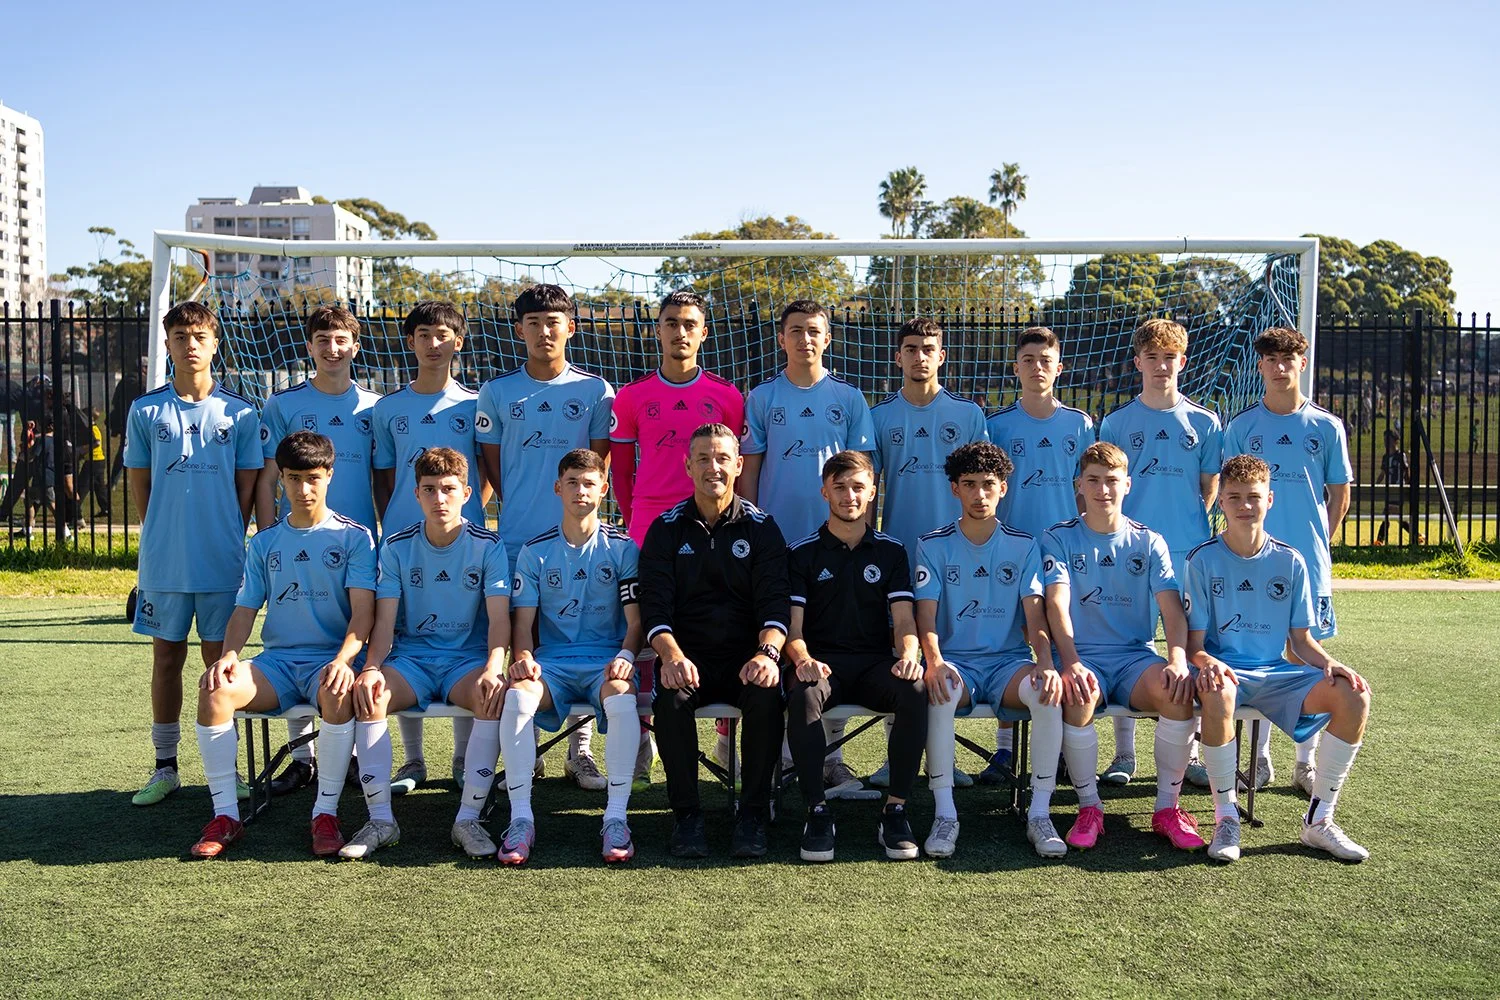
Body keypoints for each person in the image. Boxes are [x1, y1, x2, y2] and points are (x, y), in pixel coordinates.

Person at [187, 431, 377, 858]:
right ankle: (226, 816)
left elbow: (364, 614)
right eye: (293, 478)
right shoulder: (266, 541)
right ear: (282, 480)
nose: (303, 489)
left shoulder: (355, 538)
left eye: (312, 477)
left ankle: (324, 814)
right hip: (277, 665)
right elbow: (245, 609)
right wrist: (229, 657)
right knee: (214, 688)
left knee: (337, 688)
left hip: (329, 663)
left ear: (329, 475)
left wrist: (345, 659)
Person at [1185, 454, 1373, 862]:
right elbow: (1192, 646)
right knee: (1218, 691)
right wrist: (1208, 663)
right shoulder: (1202, 560)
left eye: (1253, 497)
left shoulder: (1290, 561)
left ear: (1270, 499)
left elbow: (1300, 643)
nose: (1244, 505)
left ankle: (1319, 821)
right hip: (1225, 674)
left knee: (1354, 695)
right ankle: (1226, 818)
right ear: (1222, 503)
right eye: (1233, 497)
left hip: (1275, 673)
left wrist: (1328, 663)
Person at [476, 284, 616, 791]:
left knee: (579, 636)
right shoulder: (496, 391)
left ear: (570, 327)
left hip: (576, 537)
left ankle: (580, 751)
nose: (543, 331)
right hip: (516, 539)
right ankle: (527, 747)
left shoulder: (596, 392)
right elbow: (492, 464)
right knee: (527, 643)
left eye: (553, 321)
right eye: (533, 322)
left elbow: (598, 464)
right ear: (520, 330)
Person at [344, 447, 511, 861]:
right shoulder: (397, 547)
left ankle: (468, 819)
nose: (440, 498)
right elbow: (383, 624)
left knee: (493, 694)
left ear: (467, 493)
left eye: (449, 489)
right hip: (412, 661)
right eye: (430, 490)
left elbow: (498, 621)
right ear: (416, 495)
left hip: (464, 662)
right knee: (371, 695)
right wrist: (370, 669)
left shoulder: (489, 546)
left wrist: (494, 667)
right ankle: (381, 820)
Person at [1040, 442, 1208, 853]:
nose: (1103, 490)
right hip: (1083, 658)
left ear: (1127, 485)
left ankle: (1167, 809)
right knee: (1078, 695)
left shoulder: (1149, 542)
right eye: (1093, 480)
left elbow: (1171, 609)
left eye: (1112, 480)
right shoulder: (1057, 538)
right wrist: (1072, 661)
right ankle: (1089, 807)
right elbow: (1056, 605)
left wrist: (1177, 659)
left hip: (1135, 656)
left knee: (1176, 690)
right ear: (1078, 484)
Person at [125, 302, 261, 806]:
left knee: (220, 663)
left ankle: (224, 773)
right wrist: (163, 529)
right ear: (168, 344)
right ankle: (165, 768)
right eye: (180, 336)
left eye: (200, 336)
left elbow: (246, 489)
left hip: (222, 560)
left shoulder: (241, 413)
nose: (190, 344)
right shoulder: (145, 410)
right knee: (165, 657)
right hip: (164, 561)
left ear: (215, 343)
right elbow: (141, 485)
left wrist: (225, 530)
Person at [610, 289, 745, 787]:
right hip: (651, 529)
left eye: (690, 323)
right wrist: (638, 522)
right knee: (649, 630)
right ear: (659, 330)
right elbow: (620, 473)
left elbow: (737, 470)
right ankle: (642, 737)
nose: (680, 332)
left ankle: (727, 736)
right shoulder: (633, 397)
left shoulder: (729, 397)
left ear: (703, 332)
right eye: (671, 323)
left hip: (714, 528)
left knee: (723, 619)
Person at [639, 423, 789, 859]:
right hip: (689, 659)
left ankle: (754, 814)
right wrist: (671, 657)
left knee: (765, 694)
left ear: (739, 465)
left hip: (746, 658)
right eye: (703, 458)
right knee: (670, 701)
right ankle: (687, 816)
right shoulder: (665, 530)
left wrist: (767, 653)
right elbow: (655, 608)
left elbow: (776, 605)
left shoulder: (763, 528)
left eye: (722, 458)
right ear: (687, 466)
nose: (713, 467)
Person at [740, 299, 874, 787]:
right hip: (778, 544)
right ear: (782, 339)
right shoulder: (762, 398)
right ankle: (780, 754)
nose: (804, 339)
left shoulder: (849, 398)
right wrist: (752, 528)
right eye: (795, 330)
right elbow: (749, 469)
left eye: (813, 331)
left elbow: (862, 475)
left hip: (835, 543)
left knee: (829, 642)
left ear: (828, 338)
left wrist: (863, 538)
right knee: (779, 642)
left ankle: (828, 754)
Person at [915, 442, 1070, 859]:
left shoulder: (1023, 546)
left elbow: (1035, 620)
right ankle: (945, 814)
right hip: (957, 664)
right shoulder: (932, 544)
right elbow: (925, 620)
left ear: (1004, 488)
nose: (979, 495)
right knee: (941, 690)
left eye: (988, 485)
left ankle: (1039, 813)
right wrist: (934, 662)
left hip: (1007, 665)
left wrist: (1045, 664)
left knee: (1046, 693)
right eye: (970, 485)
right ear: (955, 490)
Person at [255, 305, 382, 795]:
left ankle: (346, 756)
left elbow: (385, 478)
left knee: (350, 643)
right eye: (322, 340)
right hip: (294, 542)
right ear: (309, 347)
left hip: (354, 544)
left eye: (341, 340)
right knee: (296, 637)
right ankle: (303, 758)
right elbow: (269, 478)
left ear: (355, 346)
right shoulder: (282, 405)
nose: (332, 349)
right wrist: (272, 537)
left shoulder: (375, 408)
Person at [1223, 326, 1352, 794]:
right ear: (1260, 366)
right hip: (1251, 562)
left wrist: (1317, 542)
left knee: (1307, 657)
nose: (1280, 368)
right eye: (1271, 360)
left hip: (1308, 566)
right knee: (1259, 655)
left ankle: (1306, 760)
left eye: (1288, 359)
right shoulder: (1241, 428)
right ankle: (1258, 760)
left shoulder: (1325, 425)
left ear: (1302, 362)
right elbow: (1229, 491)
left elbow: (1340, 494)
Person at [499, 449, 644, 863]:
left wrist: (626, 657)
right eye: (573, 482)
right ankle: (522, 818)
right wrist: (523, 656)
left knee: (619, 692)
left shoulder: (622, 547)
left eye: (589, 482)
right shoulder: (535, 551)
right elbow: (522, 626)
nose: (581, 490)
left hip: (604, 661)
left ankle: (616, 818)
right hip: (554, 664)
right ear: (557, 488)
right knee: (518, 695)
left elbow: (635, 624)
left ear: (604, 489)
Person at [1098, 318, 1223, 787]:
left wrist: (1184, 528)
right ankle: (1124, 755)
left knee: (1189, 649)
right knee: (1130, 645)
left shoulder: (1205, 422)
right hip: (1131, 553)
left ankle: (1186, 753)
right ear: (1138, 363)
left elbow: (1208, 487)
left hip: (1187, 554)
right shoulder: (1116, 422)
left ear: (1182, 362)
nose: (1160, 365)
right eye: (1151, 357)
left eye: (1169, 357)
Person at [784, 450, 926, 862]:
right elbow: (793, 629)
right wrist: (803, 659)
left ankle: (895, 809)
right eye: (840, 487)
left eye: (858, 487)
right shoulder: (802, 553)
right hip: (822, 662)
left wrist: (910, 654)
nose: (849, 496)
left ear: (872, 493)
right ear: (825, 491)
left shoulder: (891, 551)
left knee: (914, 688)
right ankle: (816, 811)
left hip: (873, 663)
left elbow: (904, 621)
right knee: (805, 693)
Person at [371, 300, 488, 795]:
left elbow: (484, 472)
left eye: (443, 334)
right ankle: (414, 760)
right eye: (423, 334)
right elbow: (384, 478)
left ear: (458, 341)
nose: (433, 343)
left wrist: (465, 509)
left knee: (469, 640)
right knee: (403, 640)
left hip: (464, 540)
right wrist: (402, 513)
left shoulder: (477, 405)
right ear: (411, 341)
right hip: (404, 543)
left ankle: (463, 760)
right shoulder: (387, 407)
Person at [866, 317, 988, 791]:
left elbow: (985, 489)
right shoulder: (879, 417)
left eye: (928, 348)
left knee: (942, 653)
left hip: (952, 555)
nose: (920, 356)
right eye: (911, 348)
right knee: (900, 651)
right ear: (898, 357)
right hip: (898, 550)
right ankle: (894, 760)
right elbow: (868, 491)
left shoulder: (969, 416)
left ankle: (942, 756)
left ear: (942, 356)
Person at [982, 325, 1094, 784]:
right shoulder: (999, 425)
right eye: (1028, 360)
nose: (1037, 368)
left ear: (1059, 368)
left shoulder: (1080, 424)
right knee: (1014, 644)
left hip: (1065, 550)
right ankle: (1005, 751)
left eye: (1045, 360)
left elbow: (1088, 491)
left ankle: (1068, 747)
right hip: (1013, 550)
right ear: (1016, 368)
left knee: (1068, 643)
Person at [1376, 428, 1419, 545]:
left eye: (1388, 440)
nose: (1386, 442)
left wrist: (1408, 486)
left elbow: (1406, 470)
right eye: (1385, 440)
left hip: (1398, 489)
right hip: (1389, 490)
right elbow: (1382, 473)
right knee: (1396, 517)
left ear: (1395, 441)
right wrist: (1376, 485)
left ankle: (1379, 540)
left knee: (1388, 514)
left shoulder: (1400, 455)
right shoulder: (1385, 457)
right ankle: (1417, 536)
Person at [82, 408, 111, 521]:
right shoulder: (94, 429)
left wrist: (83, 451)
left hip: (93, 461)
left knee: (82, 486)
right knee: (99, 487)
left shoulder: (92, 429)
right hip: (99, 461)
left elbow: (96, 443)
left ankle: (75, 510)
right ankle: (105, 508)